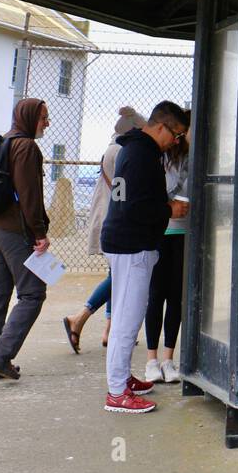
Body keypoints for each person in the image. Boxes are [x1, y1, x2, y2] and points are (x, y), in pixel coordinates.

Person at [100, 99, 187, 414]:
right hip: (132, 244)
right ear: (162, 126)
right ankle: (117, 392)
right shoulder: (141, 154)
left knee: (127, 314)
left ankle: (122, 379)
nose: (175, 142)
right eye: (175, 135)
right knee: (127, 318)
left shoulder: (135, 149)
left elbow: (127, 199)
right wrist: (170, 209)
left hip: (126, 240)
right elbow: (133, 206)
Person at [62, 107, 145, 353]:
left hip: (109, 219)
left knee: (115, 275)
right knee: (118, 276)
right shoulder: (121, 152)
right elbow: (121, 192)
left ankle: (108, 328)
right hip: (117, 222)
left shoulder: (112, 149)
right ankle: (79, 317)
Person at [0, 97, 51, 380]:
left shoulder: (2, 142)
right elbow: (29, 195)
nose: (47, 123)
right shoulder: (26, 146)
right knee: (33, 294)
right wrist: (40, 232)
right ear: (29, 118)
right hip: (14, 230)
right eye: (43, 118)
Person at [145, 109, 191, 383]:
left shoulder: (189, 156)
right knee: (155, 295)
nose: (179, 137)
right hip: (160, 229)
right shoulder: (155, 154)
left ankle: (168, 358)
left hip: (183, 231)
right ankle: (151, 359)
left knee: (176, 296)